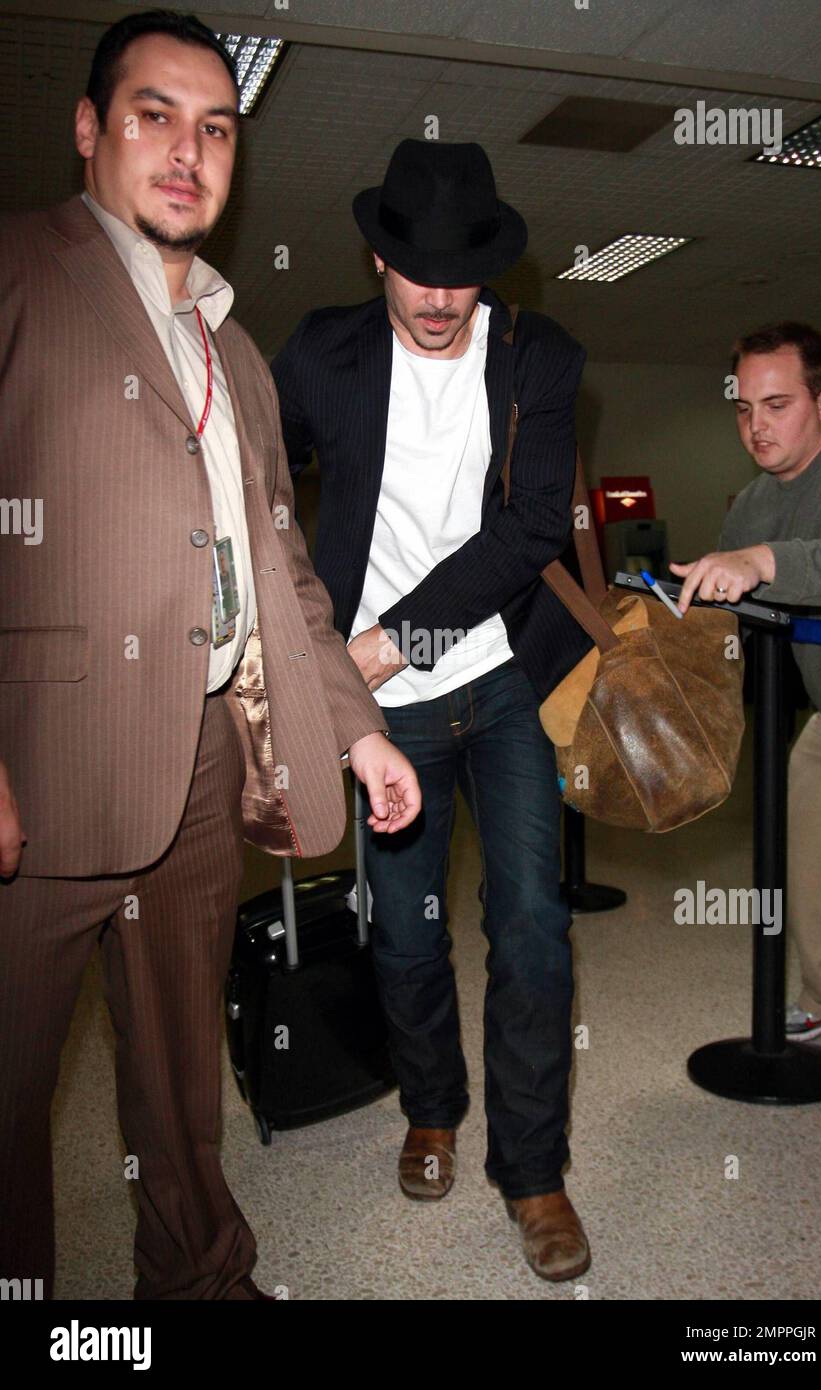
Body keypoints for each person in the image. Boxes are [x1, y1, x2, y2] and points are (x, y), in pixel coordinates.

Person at [0, 10, 421, 1302]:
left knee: (182, 1066)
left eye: (217, 126)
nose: (188, 149)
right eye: (153, 114)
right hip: (39, 766)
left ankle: (198, 1277)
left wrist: (356, 727)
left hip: (196, 760)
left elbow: (281, 569)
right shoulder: (19, 271)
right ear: (88, 128)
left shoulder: (236, 351)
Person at [272, 138, 595, 1282]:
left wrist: (393, 635)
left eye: (461, 274)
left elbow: (528, 533)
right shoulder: (321, 353)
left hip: (498, 679)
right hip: (380, 711)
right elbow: (264, 489)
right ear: (377, 258)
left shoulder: (538, 359)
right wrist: (320, 648)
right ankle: (430, 1110)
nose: (439, 298)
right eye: (417, 272)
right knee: (403, 932)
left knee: (532, 931)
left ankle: (535, 1172)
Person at [671, 322, 821, 1043]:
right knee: (811, 857)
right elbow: (740, 612)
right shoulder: (757, 500)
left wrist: (764, 561)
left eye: (777, 405)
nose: (757, 426)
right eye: (744, 407)